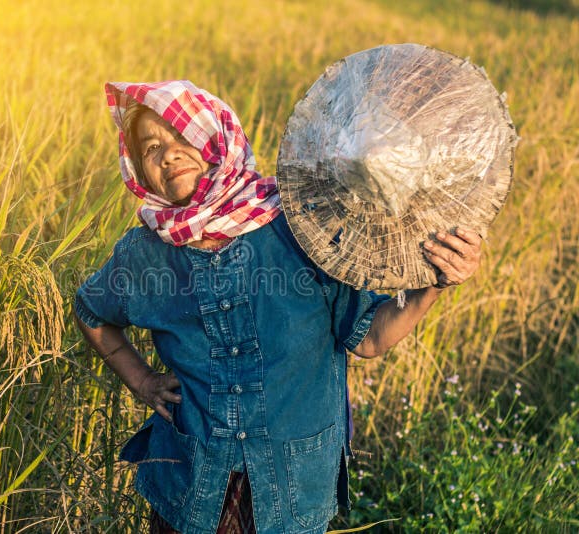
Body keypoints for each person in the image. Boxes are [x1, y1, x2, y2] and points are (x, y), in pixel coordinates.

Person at [74, 80, 481, 534]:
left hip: (289, 492)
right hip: (189, 488)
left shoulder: (302, 225)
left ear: (218, 138)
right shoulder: (143, 254)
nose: (167, 154)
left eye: (182, 135)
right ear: (138, 170)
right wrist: (143, 381)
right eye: (150, 148)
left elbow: (369, 336)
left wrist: (432, 286)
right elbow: (92, 312)